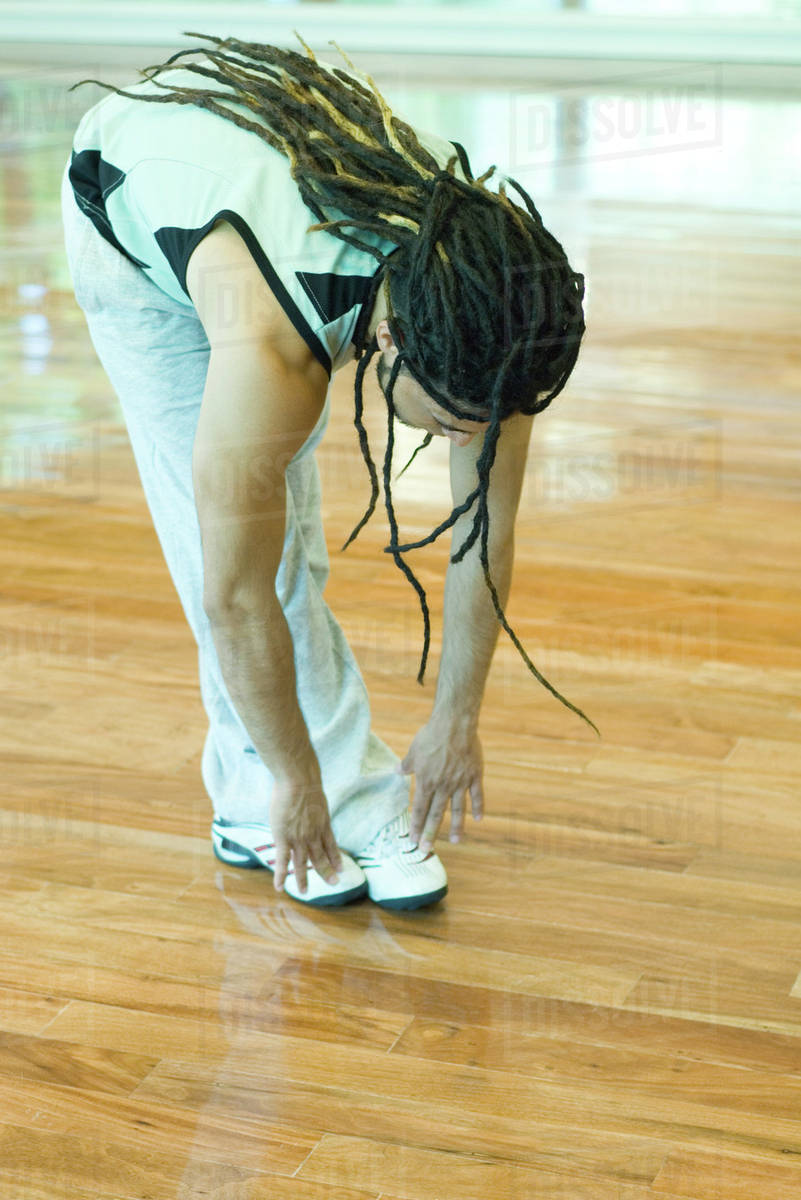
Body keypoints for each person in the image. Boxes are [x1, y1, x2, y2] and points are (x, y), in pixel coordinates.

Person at [61, 32, 595, 911]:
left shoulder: (497, 313)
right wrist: (297, 780)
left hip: (244, 191)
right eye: (457, 425)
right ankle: (305, 796)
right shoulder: (276, 343)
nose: (473, 440)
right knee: (248, 552)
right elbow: (233, 595)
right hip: (128, 208)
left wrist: (458, 719)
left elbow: (482, 529)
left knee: (280, 551)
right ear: (387, 345)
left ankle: (247, 801)